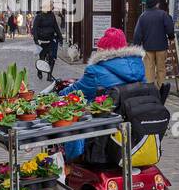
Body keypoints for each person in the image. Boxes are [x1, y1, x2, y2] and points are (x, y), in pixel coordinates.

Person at [58, 28, 146, 162]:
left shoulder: (95, 71)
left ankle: (73, 161)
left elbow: (75, 92)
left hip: (102, 129)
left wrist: (60, 94)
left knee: (74, 117)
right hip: (129, 125)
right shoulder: (138, 68)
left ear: (103, 50)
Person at [133, 0, 176, 85]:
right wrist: (171, 37)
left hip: (148, 47)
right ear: (155, 4)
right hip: (161, 46)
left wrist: (136, 45)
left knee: (149, 68)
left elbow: (137, 33)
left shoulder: (142, 16)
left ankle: (150, 87)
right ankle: (160, 86)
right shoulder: (163, 14)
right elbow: (169, 28)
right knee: (161, 68)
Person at [32, 0, 63, 80]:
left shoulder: (52, 15)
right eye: (52, 6)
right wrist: (36, 41)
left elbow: (56, 27)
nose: (53, 7)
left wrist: (60, 38)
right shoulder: (38, 16)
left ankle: (49, 75)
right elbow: (34, 29)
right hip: (41, 41)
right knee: (42, 58)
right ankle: (39, 71)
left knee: (52, 58)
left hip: (51, 40)